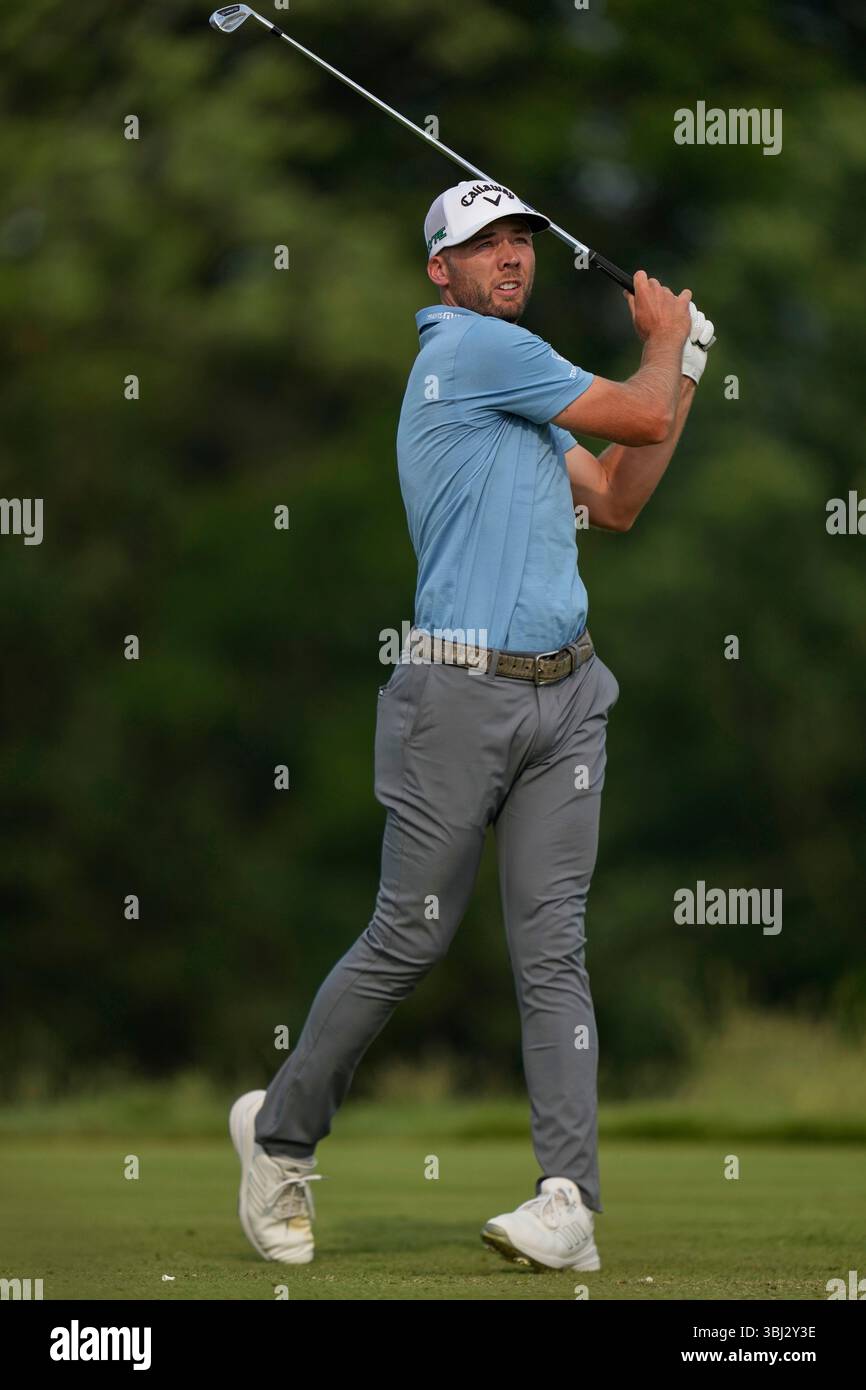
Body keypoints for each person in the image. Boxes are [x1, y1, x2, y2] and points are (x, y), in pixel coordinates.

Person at [229, 180, 715, 1273]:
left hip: (567, 697)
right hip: (455, 695)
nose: (508, 256)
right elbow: (634, 417)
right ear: (437, 273)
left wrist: (676, 365)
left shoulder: (525, 393)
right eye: (480, 243)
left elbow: (622, 495)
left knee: (553, 950)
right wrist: (667, 349)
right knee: (408, 937)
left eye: (518, 240)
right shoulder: (471, 350)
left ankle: (566, 1202)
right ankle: (277, 1137)